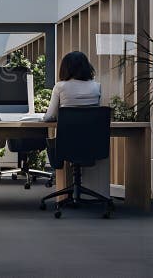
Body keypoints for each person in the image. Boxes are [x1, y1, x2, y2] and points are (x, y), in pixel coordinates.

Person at [42, 51, 108, 196]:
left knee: (51, 141)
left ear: (65, 68)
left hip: (66, 145)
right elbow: (98, 115)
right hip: (93, 145)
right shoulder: (97, 87)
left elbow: (50, 117)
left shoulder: (60, 87)